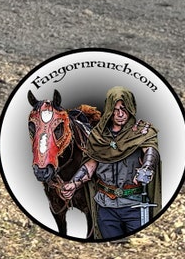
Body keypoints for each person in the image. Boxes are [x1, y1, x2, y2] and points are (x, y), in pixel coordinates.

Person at [59, 85, 160, 240]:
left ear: (131, 109)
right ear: (109, 110)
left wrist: (146, 168)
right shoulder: (98, 136)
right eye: (115, 109)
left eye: (124, 109)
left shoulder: (141, 133)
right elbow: (91, 165)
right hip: (106, 206)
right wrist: (74, 183)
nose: (120, 114)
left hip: (134, 205)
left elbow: (150, 151)